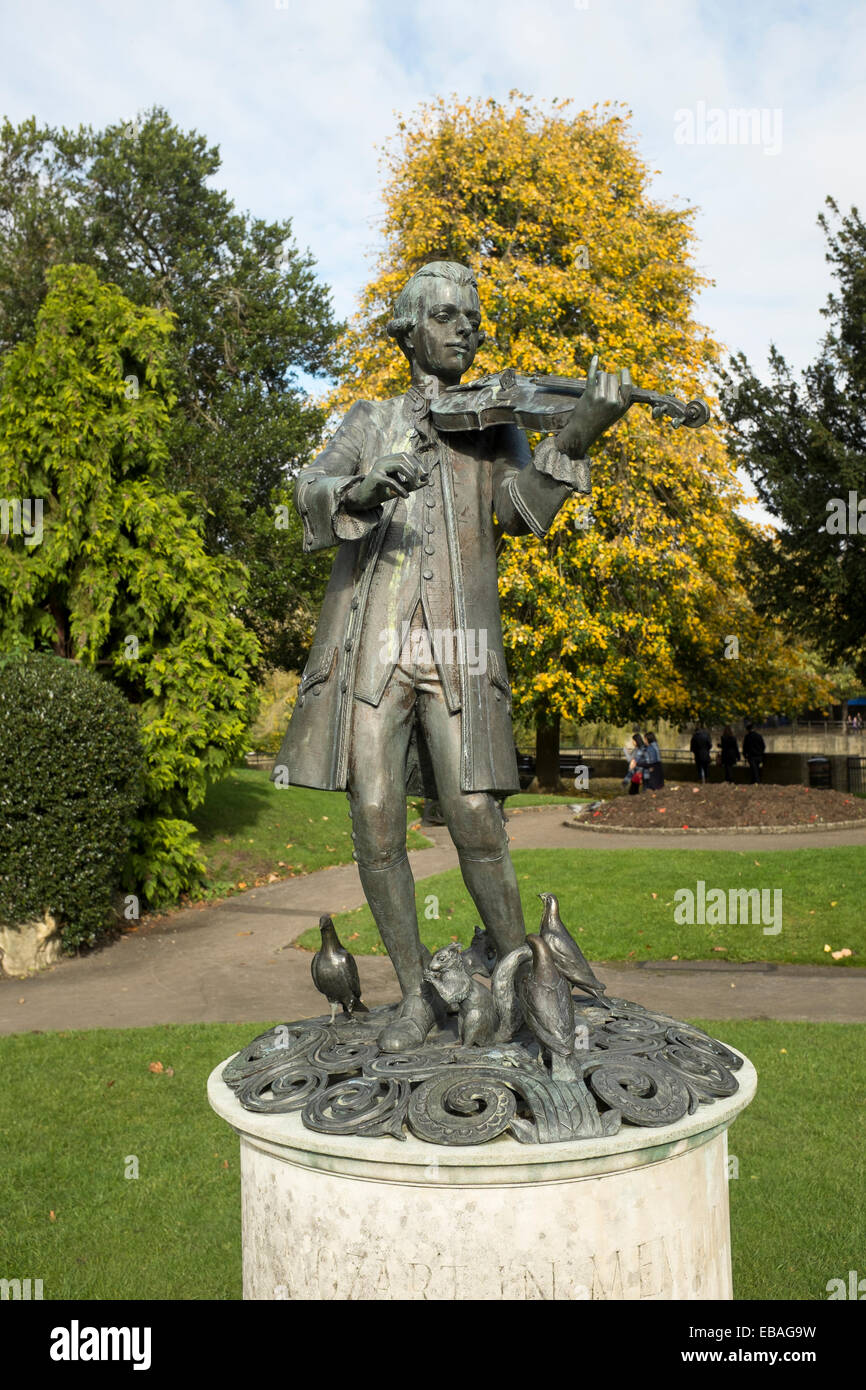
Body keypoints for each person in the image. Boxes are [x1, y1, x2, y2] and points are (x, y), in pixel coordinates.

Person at [274, 260, 632, 1052]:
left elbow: (519, 512)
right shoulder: (369, 419)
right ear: (408, 330)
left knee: (474, 814)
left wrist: (576, 434)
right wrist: (364, 488)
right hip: (376, 646)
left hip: (459, 648)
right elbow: (309, 487)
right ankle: (410, 995)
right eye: (445, 315)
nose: (465, 327)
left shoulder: (493, 424)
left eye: (471, 316)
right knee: (373, 818)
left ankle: (528, 979)